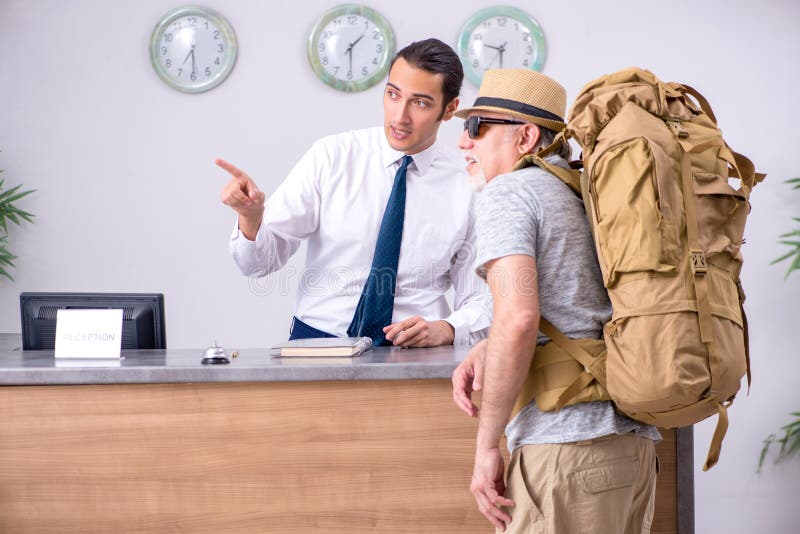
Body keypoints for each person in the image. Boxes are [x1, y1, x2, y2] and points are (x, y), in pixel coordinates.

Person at [451, 69, 661, 534]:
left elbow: (519, 318)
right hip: (633, 449)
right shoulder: (589, 196)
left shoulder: (510, 192)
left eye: (476, 127)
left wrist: (487, 445)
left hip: (565, 453)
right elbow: (578, 305)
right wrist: (491, 343)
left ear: (525, 136)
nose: (465, 142)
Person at [218, 39, 491, 347]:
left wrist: (448, 328)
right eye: (393, 95)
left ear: (450, 109)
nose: (400, 116)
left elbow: (482, 299)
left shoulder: (469, 184)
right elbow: (255, 265)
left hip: (417, 351)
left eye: (420, 103)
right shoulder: (332, 157)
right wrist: (251, 218)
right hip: (317, 344)